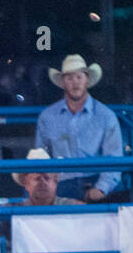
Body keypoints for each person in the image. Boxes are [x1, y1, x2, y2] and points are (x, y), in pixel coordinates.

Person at [34, 54, 123, 203]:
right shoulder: (47, 117)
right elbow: (40, 157)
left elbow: (114, 158)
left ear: (87, 80)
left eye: (79, 77)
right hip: (61, 184)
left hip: (94, 182)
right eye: (69, 78)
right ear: (62, 83)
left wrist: (101, 188)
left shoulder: (105, 116)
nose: (75, 83)